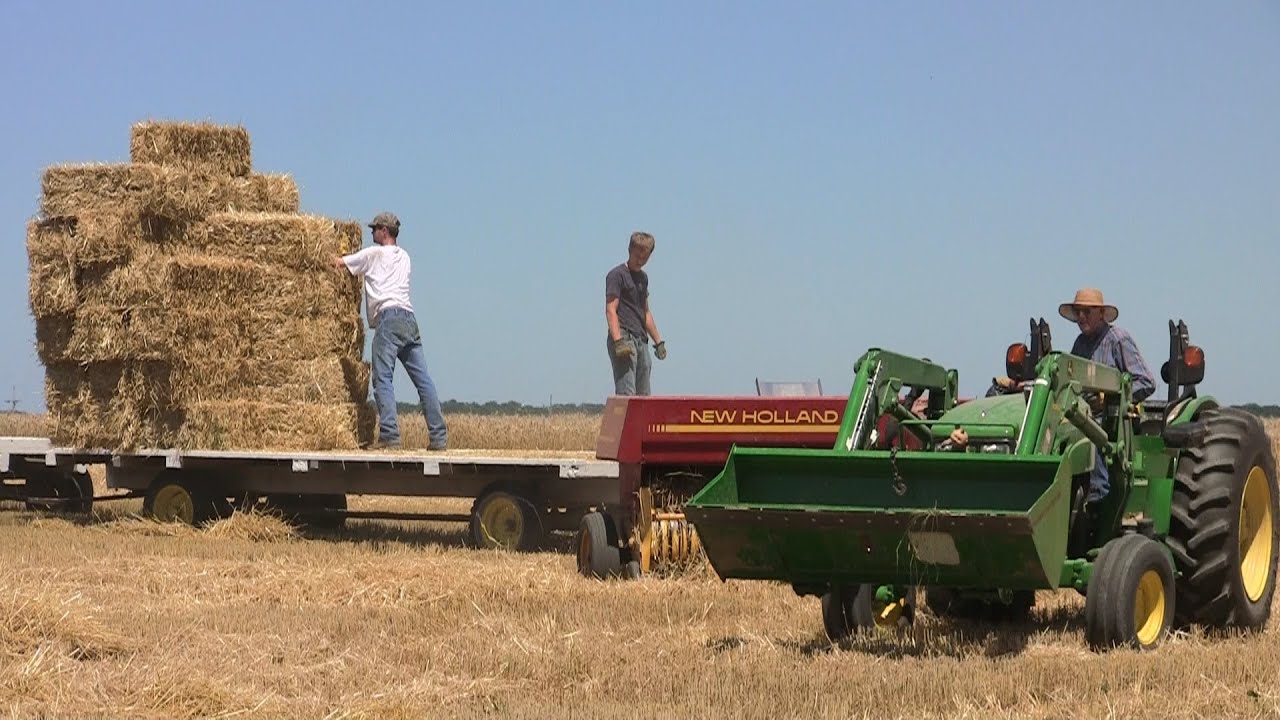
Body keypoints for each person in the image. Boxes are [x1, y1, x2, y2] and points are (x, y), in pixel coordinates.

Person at [332, 211, 447, 451]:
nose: (371, 232)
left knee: (382, 378)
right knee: (423, 379)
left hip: (388, 318)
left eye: (375, 229)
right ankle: (438, 437)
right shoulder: (405, 256)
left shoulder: (374, 254)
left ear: (384, 231)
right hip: (409, 318)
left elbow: (340, 263)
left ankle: (390, 436)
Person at [1058, 287, 1155, 501]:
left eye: (1087, 311)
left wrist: (1111, 398)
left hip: (1116, 422)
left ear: (1101, 314)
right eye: (1077, 312)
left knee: (1090, 434)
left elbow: (1146, 382)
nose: (1081, 317)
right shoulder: (1080, 343)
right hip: (1084, 414)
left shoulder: (1118, 339)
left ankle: (1097, 496)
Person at [605, 231, 666, 396]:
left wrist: (658, 341)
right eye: (637, 255)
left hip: (642, 340)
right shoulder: (616, 275)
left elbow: (645, 311)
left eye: (644, 257)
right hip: (624, 336)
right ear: (629, 250)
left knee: (644, 396)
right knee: (627, 394)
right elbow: (611, 309)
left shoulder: (643, 278)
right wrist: (618, 341)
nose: (640, 260)